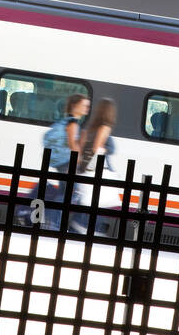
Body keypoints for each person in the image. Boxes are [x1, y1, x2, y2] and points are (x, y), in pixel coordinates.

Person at [15, 93, 88, 230]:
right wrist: (81, 161)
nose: (86, 108)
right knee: (70, 195)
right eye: (84, 105)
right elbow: (73, 145)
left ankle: (54, 222)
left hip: (62, 163)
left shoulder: (66, 121)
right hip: (68, 163)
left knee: (64, 193)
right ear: (75, 106)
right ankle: (55, 223)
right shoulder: (72, 123)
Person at [69, 98, 117, 235]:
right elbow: (97, 148)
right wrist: (105, 150)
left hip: (84, 169)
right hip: (95, 170)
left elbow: (81, 148)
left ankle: (77, 229)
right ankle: (88, 230)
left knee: (87, 202)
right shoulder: (105, 127)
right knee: (96, 203)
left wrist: (82, 167)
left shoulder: (90, 127)